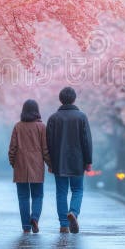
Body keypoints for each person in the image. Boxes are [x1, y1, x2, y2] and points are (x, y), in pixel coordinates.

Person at [46, 86, 93, 233]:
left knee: (61, 192)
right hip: (78, 162)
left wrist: (50, 162)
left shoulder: (53, 118)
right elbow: (87, 141)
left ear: (61, 100)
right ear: (74, 99)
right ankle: (73, 212)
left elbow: (49, 143)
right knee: (77, 190)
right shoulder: (81, 117)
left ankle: (63, 225)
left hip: (59, 162)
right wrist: (88, 161)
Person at [8, 99, 51, 233]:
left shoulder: (17, 126)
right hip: (37, 166)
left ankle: (26, 227)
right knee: (38, 195)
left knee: (23, 197)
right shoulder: (41, 127)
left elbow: (12, 148)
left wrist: (13, 163)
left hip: (20, 165)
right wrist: (50, 164)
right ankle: (35, 218)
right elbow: (45, 149)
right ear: (37, 111)